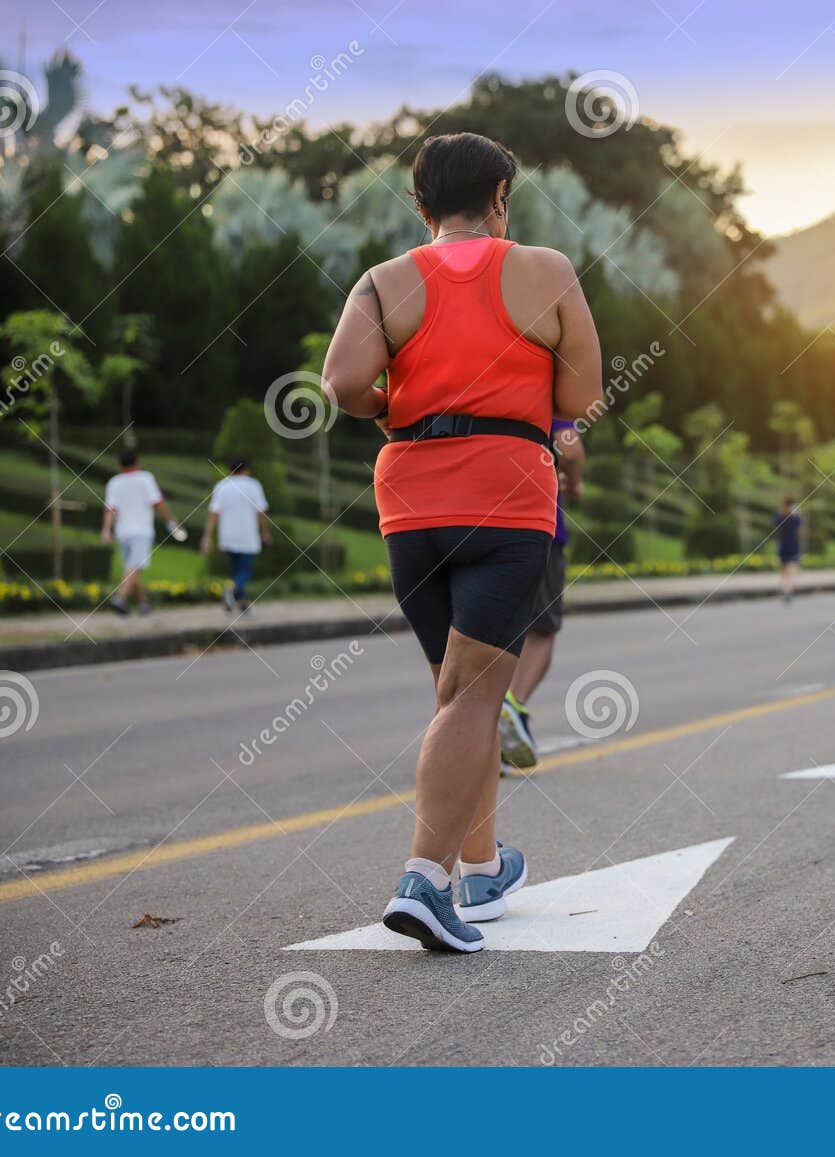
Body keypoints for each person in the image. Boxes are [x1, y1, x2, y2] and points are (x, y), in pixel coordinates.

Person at [320, 132, 603, 953]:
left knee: (457, 694)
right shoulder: (545, 270)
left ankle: (481, 870)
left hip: (410, 497)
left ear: (420, 207)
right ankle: (423, 878)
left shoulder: (382, 282)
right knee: (476, 696)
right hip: (505, 493)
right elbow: (580, 392)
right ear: (501, 196)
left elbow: (341, 385)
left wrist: (396, 405)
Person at [498, 420, 584, 777]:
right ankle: (511, 706)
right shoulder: (539, 383)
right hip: (538, 525)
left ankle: (477, 733)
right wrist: (575, 480)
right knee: (541, 630)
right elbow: (571, 447)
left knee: (484, 630)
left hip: (472, 523)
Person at [100, 448, 184, 615]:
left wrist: (106, 530)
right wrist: (171, 520)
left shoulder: (114, 482)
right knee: (135, 566)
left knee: (132, 569)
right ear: (137, 462)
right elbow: (158, 503)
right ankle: (120, 599)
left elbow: (110, 509)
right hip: (142, 531)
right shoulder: (146, 478)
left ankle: (142, 603)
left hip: (122, 532)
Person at [200, 460, 271, 613]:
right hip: (248, 535)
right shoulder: (253, 485)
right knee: (245, 571)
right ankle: (232, 593)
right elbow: (261, 513)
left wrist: (207, 537)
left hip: (228, 536)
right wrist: (265, 533)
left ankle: (242, 603)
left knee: (236, 570)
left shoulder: (222, 486)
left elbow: (213, 515)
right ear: (246, 470)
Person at [774, 496, 802, 603]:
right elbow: (799, 531)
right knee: (792, 569)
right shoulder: (796, 517)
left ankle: (784, 589)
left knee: (783, 570)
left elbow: (777, 530)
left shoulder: (779, 516)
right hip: (793, 545)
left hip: (782, 545)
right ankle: (789, 590)